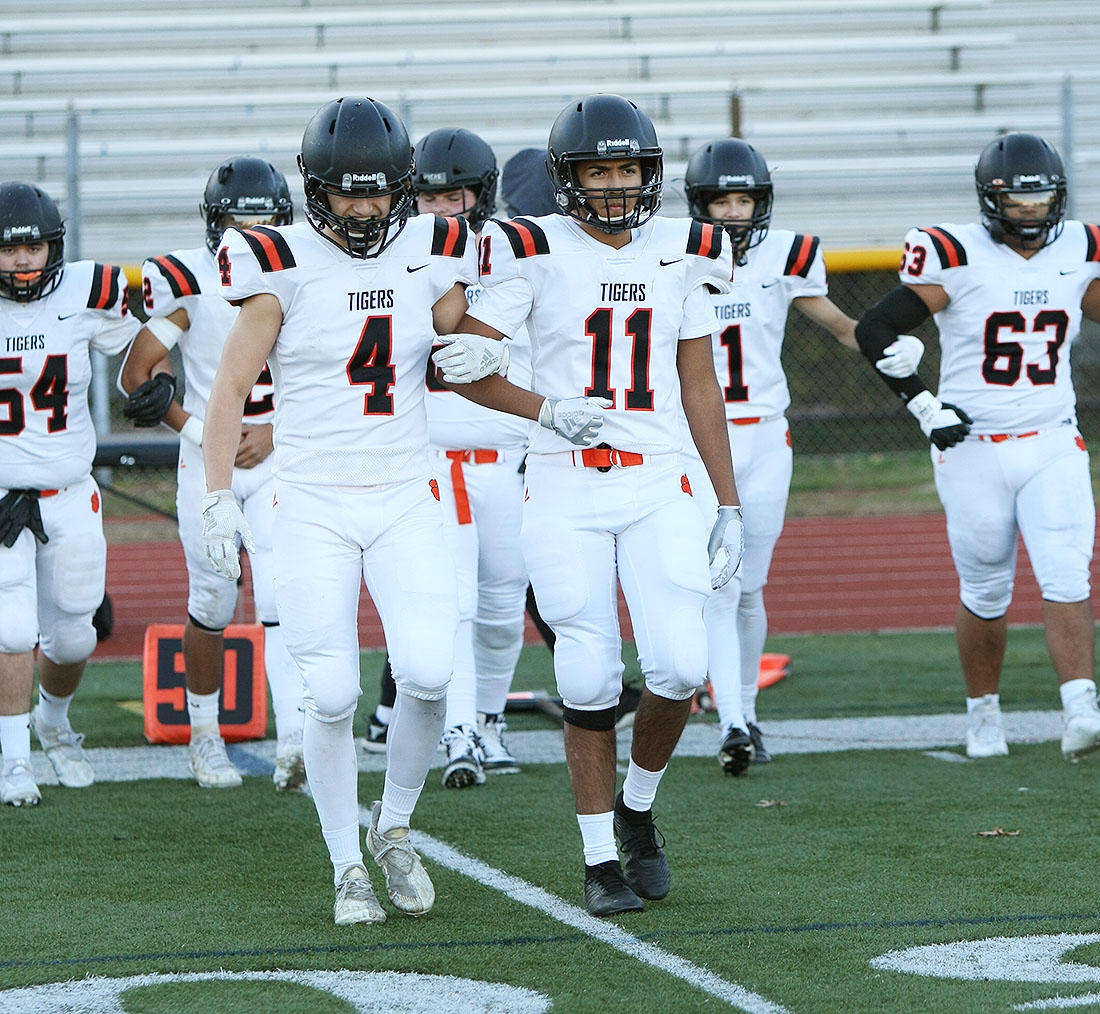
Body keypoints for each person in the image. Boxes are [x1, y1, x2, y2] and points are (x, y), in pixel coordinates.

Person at [432, 93, 742, 916]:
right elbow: (462, 367)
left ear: (652, 173)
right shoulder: (527, 247)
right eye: (597, 169)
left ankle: (639, 807)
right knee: (589, 666)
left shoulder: (687, 248)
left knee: (681, 664)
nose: (614, 184)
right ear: (567, 178)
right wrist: (542, 408)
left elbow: (699, 382)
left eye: (628, 168)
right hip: (564, 476)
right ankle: (599, 856)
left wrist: (729, 502)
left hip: (657, 476)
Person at [201, 97, 476, 926]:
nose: (362, 209)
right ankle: (345, 862)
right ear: (314, 189)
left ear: (403, 189)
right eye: (346, 193)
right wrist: (217, 497)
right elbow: (226, 396)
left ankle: (393, 828)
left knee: (429, 672)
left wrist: (487, 344)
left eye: (377, 193)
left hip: (404, 495)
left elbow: (466, 337)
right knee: (328, 693)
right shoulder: (276, 264)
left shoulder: (433, 250)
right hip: (313, 499)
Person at [855, 132, 1100, 761]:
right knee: (986, 586)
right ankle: (984, 714)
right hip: (973, 445)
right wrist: (922, 402)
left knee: (1069, 575)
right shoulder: (953, 253)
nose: (1031, 211)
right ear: (991, 200)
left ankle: (1081, 708)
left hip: (1052, 438)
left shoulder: (1079, 248)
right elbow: (877, 326)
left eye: (1041, 198)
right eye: (1017, 201)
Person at [119, 156, 307, 792]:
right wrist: (203, 433)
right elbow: (135, 373)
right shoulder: (192, 279)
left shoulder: (303, 268)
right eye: (237, 222)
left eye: (263, 223)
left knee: (284, 597)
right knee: (213, 601)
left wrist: (276, 431)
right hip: (209, 462)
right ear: (213, 223)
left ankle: (295, 743)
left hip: (283, 453)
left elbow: (329, 373)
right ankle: (204, 736)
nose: (250, 237)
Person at [681, 138, 862, 775]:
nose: (733, 212)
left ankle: (746, 711)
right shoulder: (671, 251)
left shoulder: (788, 254)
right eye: (721, 200)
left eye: (744, 199)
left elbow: (841, 325)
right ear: (698, 205)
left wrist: (891, 353)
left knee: (750, 586)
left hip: (766, 434)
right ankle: (730, 719)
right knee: (720, 587)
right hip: (701, 434)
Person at [0, 182, 139, 806]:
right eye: (8, 251)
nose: (22, 261)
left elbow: (143, 344)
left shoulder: (88, 291)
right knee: (11, 628)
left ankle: (53, 721)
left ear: (55, 247)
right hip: (3, 493)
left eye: (32, 248)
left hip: (70, 489)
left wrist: (154, 382)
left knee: (77, 633)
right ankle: (14, 760)